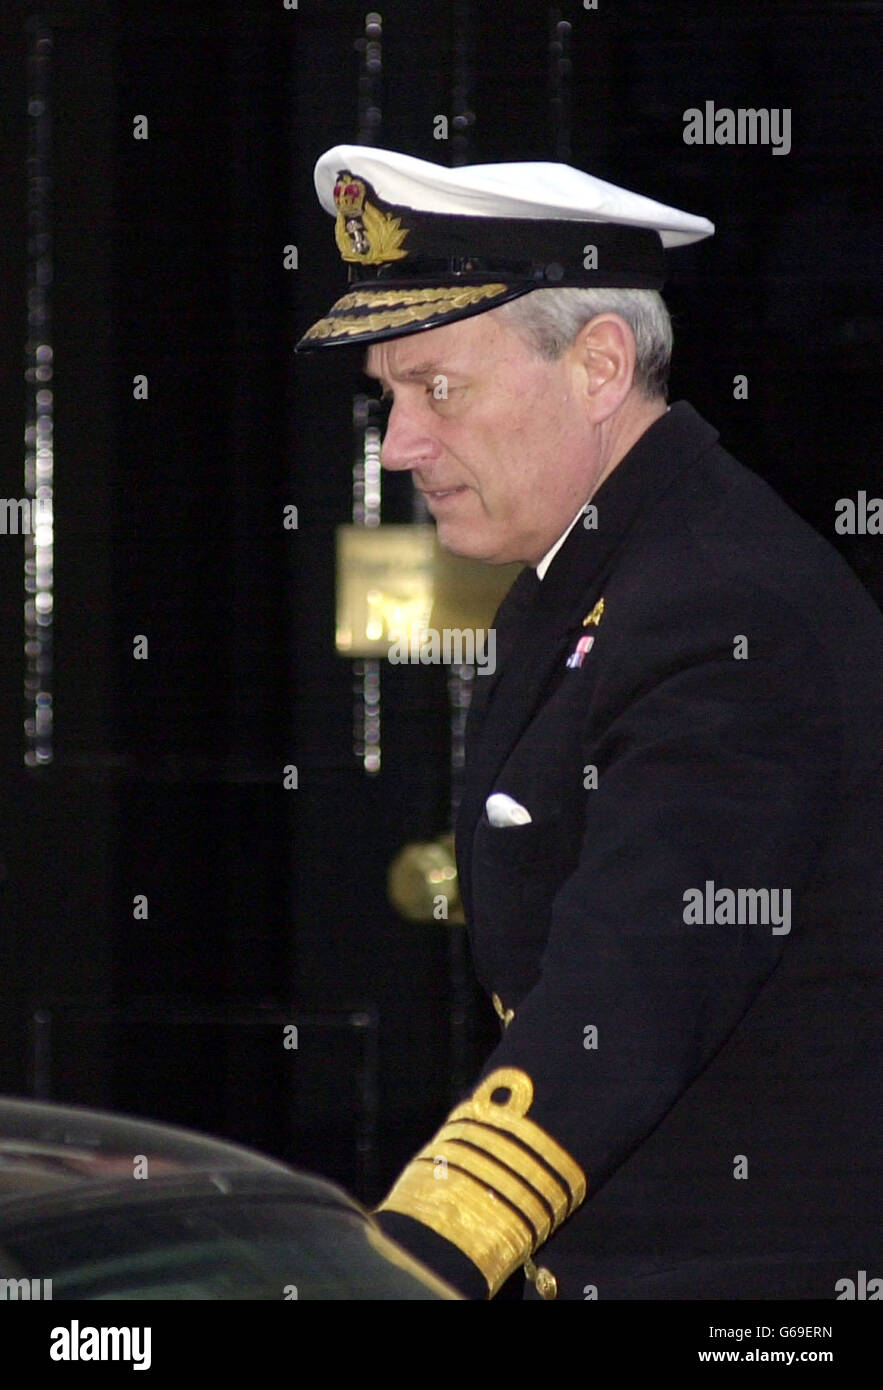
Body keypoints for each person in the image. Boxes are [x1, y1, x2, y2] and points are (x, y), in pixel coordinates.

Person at [296, 146, 883, 1300]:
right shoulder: (614, 568)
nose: (400, 444)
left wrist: (409, 1263)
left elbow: (634, 981)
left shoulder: (719, 602)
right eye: (388, 398)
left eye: (438, 388)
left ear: (598, 364)